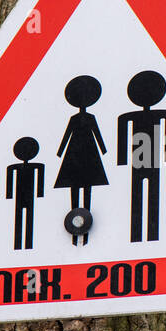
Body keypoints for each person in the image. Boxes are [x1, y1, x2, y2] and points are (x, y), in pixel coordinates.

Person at [117, 70, 166, 242]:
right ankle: (138, 236)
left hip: (151, 160)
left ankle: (150, 235)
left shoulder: (162, 115)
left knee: (151, 195)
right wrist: (121, 159)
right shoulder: (130, 117)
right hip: (140, 161)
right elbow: (122, 134)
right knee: (140, 195)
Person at [55, 75, 108, 245]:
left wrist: (103, 149)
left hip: (83, 154)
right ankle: (76, 229)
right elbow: (66, 136)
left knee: (82, 187)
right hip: (78, 154)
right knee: (78, 186)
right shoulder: (76, 119)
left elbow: (97, 134)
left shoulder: (88, 118)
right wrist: (60, 151)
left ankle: (84, 228)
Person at [5, 136, 43, 250]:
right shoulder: (13, 167)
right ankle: (18, 244)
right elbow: (10, 181)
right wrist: (9, 194)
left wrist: (39, 193)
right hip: (21, 195)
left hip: (28, 195)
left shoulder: (37, 166)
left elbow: (40, 178)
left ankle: (27, 244)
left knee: (28, 219)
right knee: (20, 218)